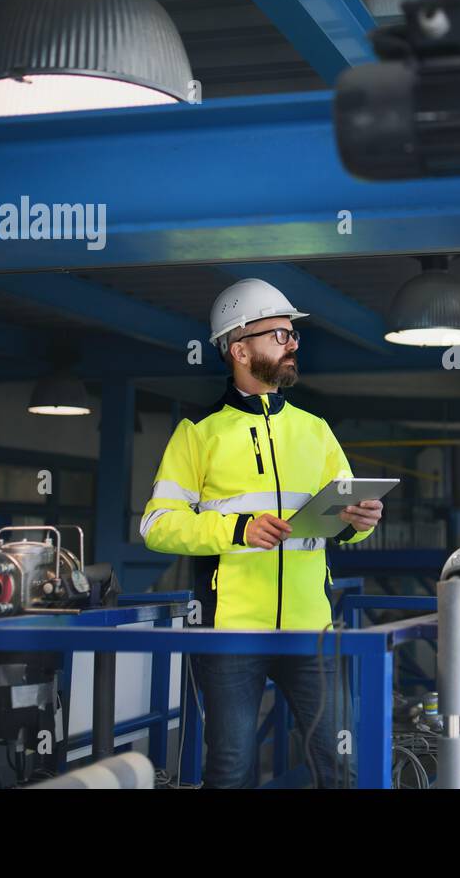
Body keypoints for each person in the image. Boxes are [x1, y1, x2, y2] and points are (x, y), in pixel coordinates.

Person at [139, 278, 381, 787]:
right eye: (280, 335)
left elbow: (340, 521)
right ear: (239, 347)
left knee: (340, 767)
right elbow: (158, 527)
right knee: (230, 771)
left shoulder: (316, 430)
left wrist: (358, 524)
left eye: (293, 335)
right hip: (230, 633)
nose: (293, 344)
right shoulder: (197, 433)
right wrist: (238, 530)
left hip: (312, 629)